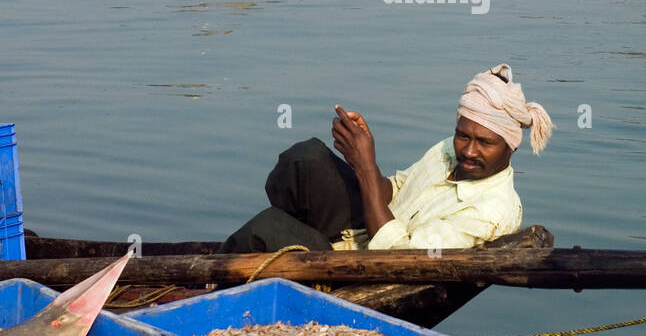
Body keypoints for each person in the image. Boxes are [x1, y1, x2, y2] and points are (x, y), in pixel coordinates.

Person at [220, 63, 553, 254]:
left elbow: (400, 257)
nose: (468, 150)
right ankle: (301, 247)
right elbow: (393, 190)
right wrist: (362, 152)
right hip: (363, 229)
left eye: (485, 143)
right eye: (463, 135)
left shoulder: (493, 211)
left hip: (375, 266)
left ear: (510, 146)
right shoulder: (447, 151)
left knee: (267, 229)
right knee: (305, 160)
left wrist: (364, 167)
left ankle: (233, 274)